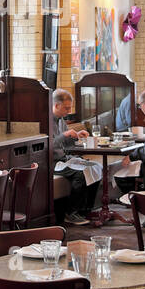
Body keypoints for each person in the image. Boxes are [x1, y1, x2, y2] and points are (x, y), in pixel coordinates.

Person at [50, 88, 99, 226]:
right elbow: (48, 145)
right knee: (81, 174)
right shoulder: (45, 119)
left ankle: (86, 209)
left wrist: (77, 136)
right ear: (56, 105)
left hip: (65, 158)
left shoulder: (61, 120)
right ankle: (71, 213)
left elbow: (66, 142)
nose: (68, 111)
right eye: (66, 108)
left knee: (96, 167)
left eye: (70, 108)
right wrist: (65, 135)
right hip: (52, 162)